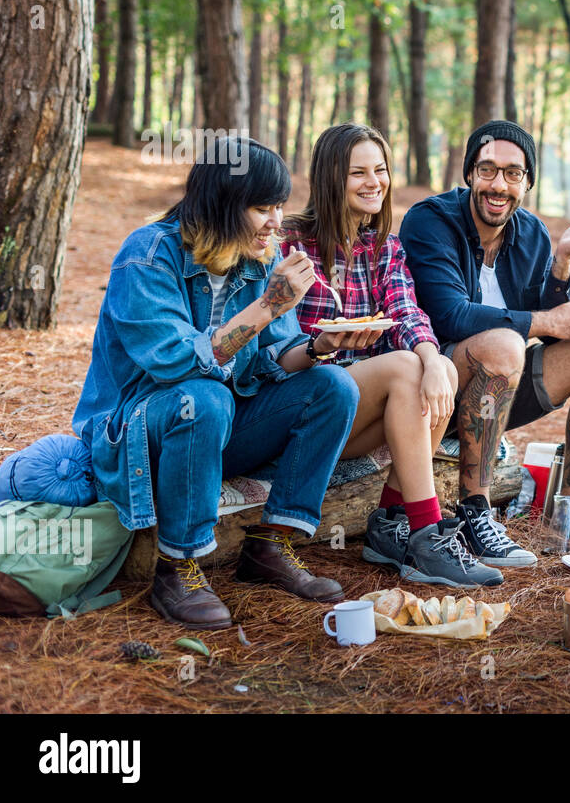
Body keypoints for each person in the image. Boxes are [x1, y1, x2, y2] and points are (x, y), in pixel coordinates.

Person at [72, 137, 362, 630]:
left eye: (278, 206)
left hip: (215, 428)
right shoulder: (147, 256)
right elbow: (178, 363)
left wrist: (319, 349)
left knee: (334, 386)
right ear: (223, 205)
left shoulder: (257, 259)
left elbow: (273, 358)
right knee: (202, 398)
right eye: (262, 208)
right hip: (141, 435)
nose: (276, 222)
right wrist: (269, 304)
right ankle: (177, 566)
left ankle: (271, 543)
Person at [281, 123, 501, 588]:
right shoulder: (289, 244)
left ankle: (389, 523)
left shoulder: (383, 248)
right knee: (410, 366)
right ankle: (429, 534)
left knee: (431, 367)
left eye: (380, 170)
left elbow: (406, 310)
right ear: (329, 179)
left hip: (355, 420)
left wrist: (435, 358)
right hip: (300, 409)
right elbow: (275, 346)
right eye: (357, 172)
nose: (373, 182)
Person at [399, 120, 570, 568]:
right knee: (504, 343)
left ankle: (569, 517)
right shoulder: (430, 221)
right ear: (468, 174)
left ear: (527, 182)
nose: (498, 185)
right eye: (487, 170)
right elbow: (450, 314)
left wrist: (563, 262)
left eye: (513, 173)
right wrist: (544, 320)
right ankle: (474, 513)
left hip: (495, 394)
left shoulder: (532, 234)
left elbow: (555, 324)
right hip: (433, 389)